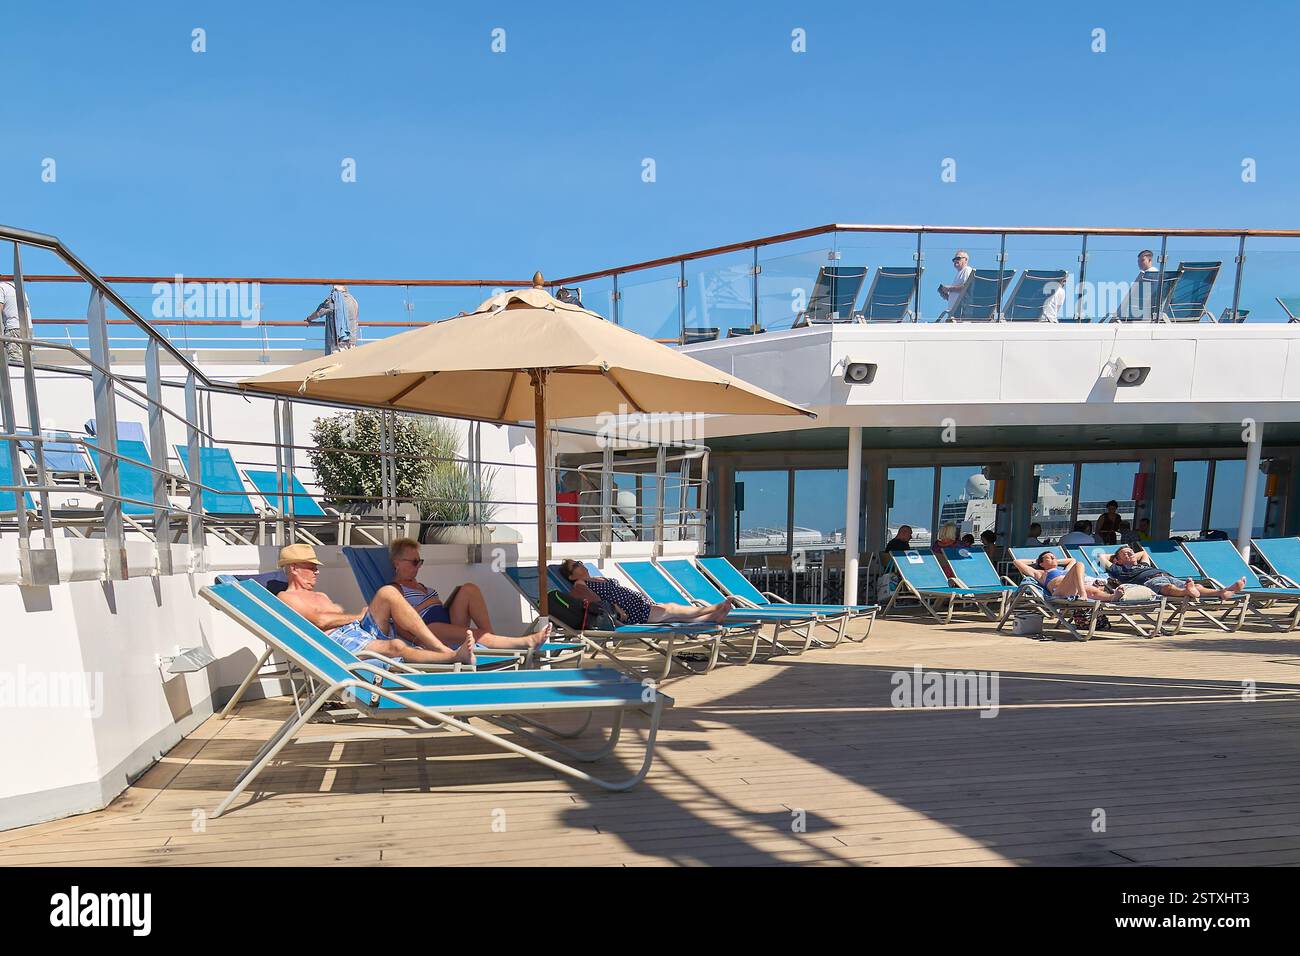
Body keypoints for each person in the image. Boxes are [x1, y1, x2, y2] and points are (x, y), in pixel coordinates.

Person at [275, 543, 475, 664]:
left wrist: (359, 617)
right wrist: (360, 615)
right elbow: (321, 621)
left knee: (388, 592)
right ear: (293, 568)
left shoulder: (321, 596)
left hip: (356, 629)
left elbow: (334, 617)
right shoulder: (286, 598)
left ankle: (440, 648)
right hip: (338, 642)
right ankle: (453, 657)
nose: (317, 572)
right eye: (311, 567)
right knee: (396, 646)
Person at [387, 537, 549, 651]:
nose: (419, 566)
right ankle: (525, 642)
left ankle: (492, 641)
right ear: (397, 563)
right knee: (476, 634)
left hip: (445, 620)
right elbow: (400, 626)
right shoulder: (395, 590)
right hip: (430, 629)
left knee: (468, 589)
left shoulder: (420, 585)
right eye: (415, 562)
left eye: (420, 561)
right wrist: (420, 638)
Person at [559, 559, 732, 624]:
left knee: (674, 616)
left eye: (579, 562)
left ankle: (712, 617)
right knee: (670, 609)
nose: (580, 564)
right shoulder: (579, 585)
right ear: (572, 576)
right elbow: (596, 602)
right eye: (575, 565)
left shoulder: (597, 578)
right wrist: (616, 608)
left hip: (639, 606)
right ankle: (712, 609)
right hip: (630, 613)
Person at [1105, 545, 1245, 600]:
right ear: (1118, 560)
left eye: (1131, 551)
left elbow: (1144, 553)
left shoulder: (1143, 564)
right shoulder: (1119, 569)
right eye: (1125, 554)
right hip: (1151, 582)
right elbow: (1099, 556)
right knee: (1168, 589)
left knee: (1197, 586)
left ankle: (1223, 592)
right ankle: (1186, 592)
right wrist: (1117, 558)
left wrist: (1129, 554)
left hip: (1167, 576)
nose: (1130, 553)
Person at [1013, 551, 1123, 602]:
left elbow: (1071, 560)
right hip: (1059, 591)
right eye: (1050, 557)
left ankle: (1112, 598)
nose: (1054, 558)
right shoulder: (1041, 573)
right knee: (1079, 565)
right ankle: (1082, 593)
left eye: (1054, 556)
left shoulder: (1065, 570)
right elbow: (1017, 562)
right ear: (1041, 563)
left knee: (1093, 591)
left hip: (1074, 588)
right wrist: (1036, 561)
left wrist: (1055, 561)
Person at [305, 284, 360, 354]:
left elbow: (319, 312)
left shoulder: (333, 299)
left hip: (338, 339)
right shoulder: (353, 300)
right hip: (352, 340)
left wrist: (309, 319)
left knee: (337, 361)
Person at [1, 280, 29, 363]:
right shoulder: (16, 288)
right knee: (28, 360)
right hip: (28, 328)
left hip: (13, 328)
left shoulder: (1, 288)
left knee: (15, 360)